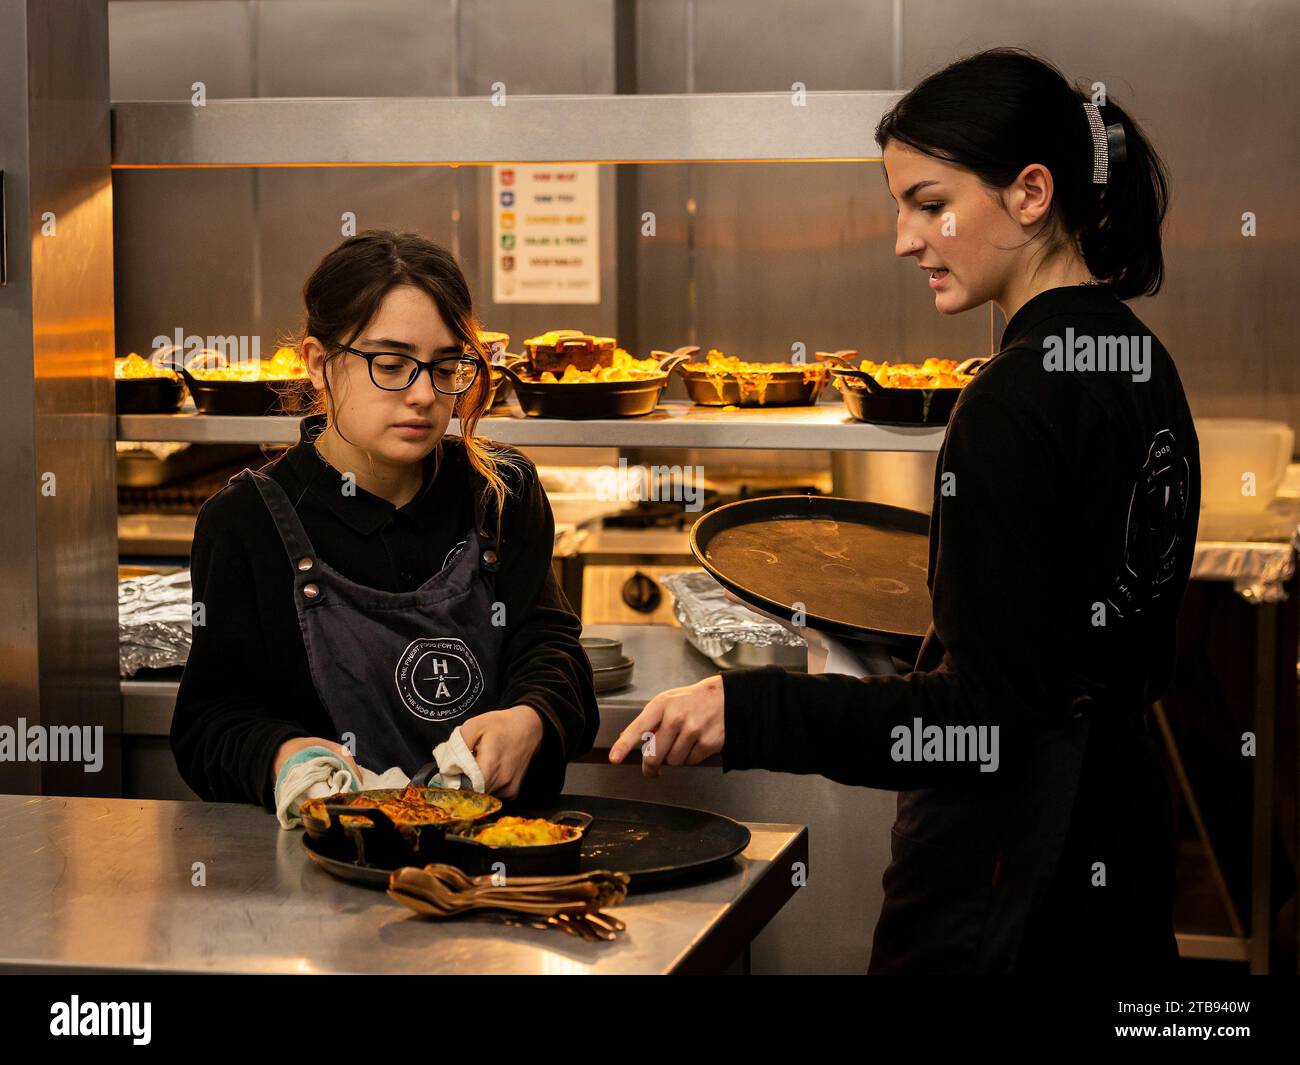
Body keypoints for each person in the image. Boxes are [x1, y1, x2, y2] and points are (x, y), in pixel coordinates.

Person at [610, 48, 1200, 973]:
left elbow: (976, 727)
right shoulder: (1140, 362)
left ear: (1032, 192)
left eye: (930, 203)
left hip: (1007, 885)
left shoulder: (1011, 398)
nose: (904, 237)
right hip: (1116, 845)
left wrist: (748, 709)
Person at [172, 231, 598, 809]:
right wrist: (284, 756)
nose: (424, 394)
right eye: (392, 365)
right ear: (319, 365)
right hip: (328, 869)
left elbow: (551, 650)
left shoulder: (502, 492)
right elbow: (211, 724)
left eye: (447, 366)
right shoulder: (246, 522)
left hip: (499, 855)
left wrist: (531, 717)